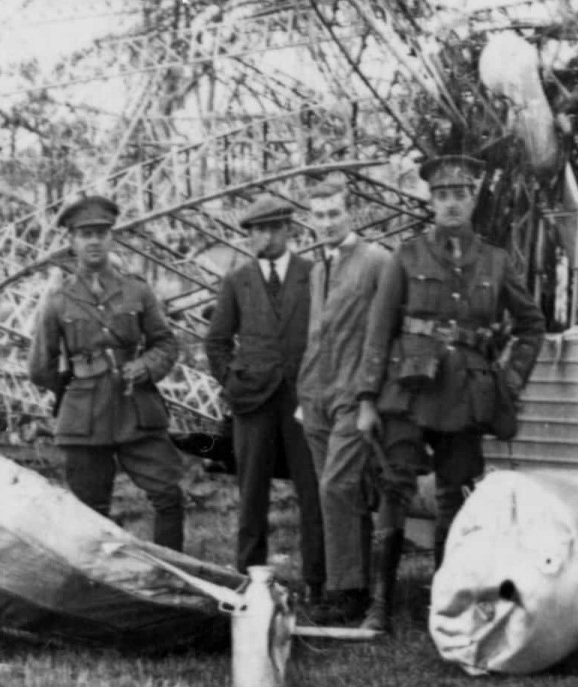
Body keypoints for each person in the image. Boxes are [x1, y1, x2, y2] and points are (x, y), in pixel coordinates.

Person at [357, 154, 545, 634]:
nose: (451, 204)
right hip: (409, 388)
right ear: (431, 202)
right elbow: (378, 331)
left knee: (454, 496)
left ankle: (443, 601)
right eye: (442, 196)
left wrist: (510, 381)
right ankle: (380, 605)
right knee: (395, 488)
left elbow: (531, 325)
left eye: (460, 195)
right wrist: (366, 399)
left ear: (472, 199)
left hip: (466, 394)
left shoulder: (496, 260)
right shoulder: (407, 256)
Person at [25, 193, 185, 550]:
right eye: (85, 235)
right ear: (72, 241)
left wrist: (146, 365)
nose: (94, 241)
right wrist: (76, 384)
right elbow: (39, 367)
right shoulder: (58, 300)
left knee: (168, 496)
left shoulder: (137, 291)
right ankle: (97, 579)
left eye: (101, 233)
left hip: (136, 410)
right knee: (89, 513)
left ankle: (174, 572)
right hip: (83, 420)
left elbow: (165, 343)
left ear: (112, 238)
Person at [204, 193, 325, 601]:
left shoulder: (314, 274)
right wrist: (233, 382)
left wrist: (317, 387)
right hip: (252, 403)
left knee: (312, 491)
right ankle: (248, 581)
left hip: (302, 399)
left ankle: (317, 583)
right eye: (256, 230)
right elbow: (217, 342)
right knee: (252, 493)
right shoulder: (237, 280)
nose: (265, 237)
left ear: (288, 230)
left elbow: (326, 334)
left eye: (272, 228)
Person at [296, 176, 394, 627]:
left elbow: (389, 329)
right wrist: (305, 393)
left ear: (352, 213)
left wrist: (374, 392)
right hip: (316, 392)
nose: (327, 222)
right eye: (319, 215)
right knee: (336, 491)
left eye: (334, 213)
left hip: (355, 392)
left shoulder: (377, 261)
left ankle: (346, 591)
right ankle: (353, 587)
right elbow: (317, 331)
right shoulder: (318, 269)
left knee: (337, 486)